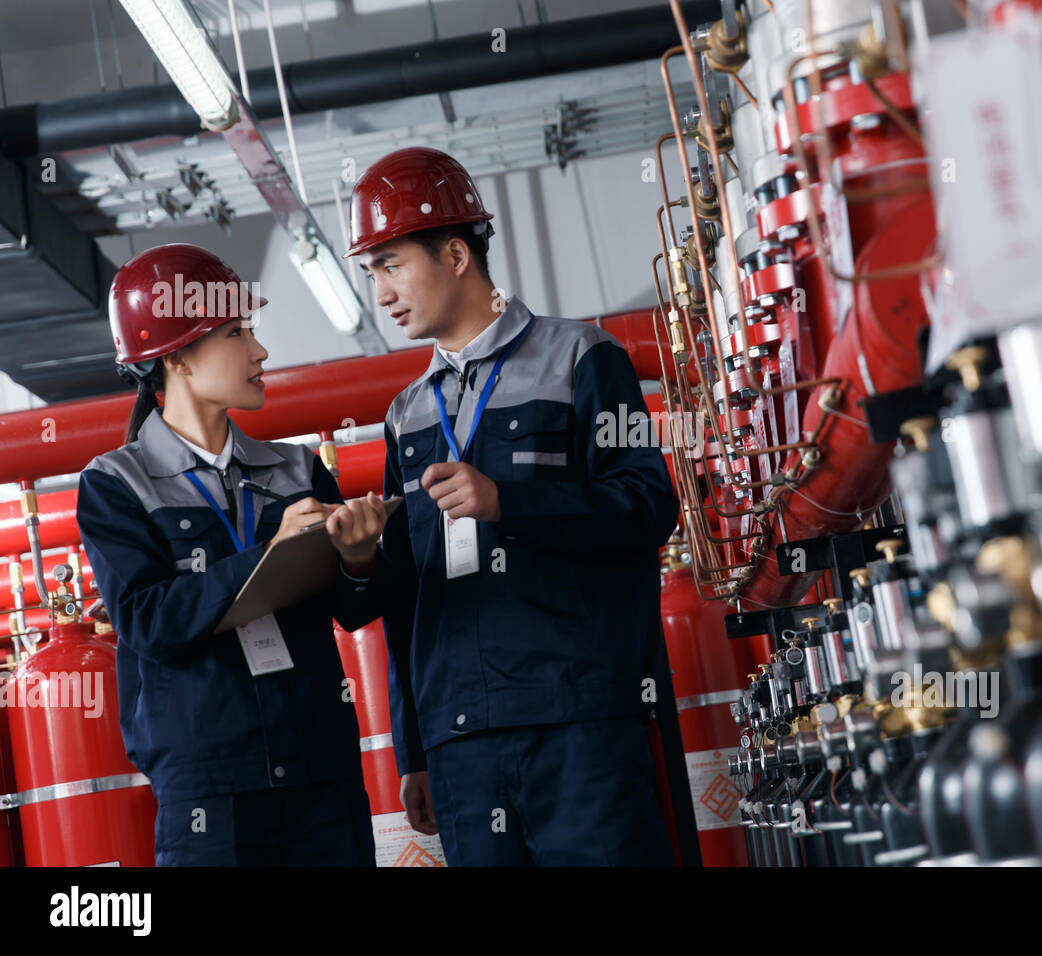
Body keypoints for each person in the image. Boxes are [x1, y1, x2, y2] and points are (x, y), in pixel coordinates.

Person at [345, 147, 685, 865]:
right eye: (371, 272)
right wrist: (415, 747)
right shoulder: (406, 413)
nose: (381, 293)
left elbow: (647, 505)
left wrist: (510, 503)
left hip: (579, 723)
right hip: (461, 741)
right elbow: (407, 599)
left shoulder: (581, 358)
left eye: (392, 265)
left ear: (457, 254)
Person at [76, 243, 391, 866]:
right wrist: (269, 554)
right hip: (210, 791)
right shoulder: (116, 485)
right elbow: (149, 621)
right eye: (236, 333)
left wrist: (359, 559)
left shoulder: (298, 469)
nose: (261, 351)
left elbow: (353, 612)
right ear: (180, 358)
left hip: (320, 775)